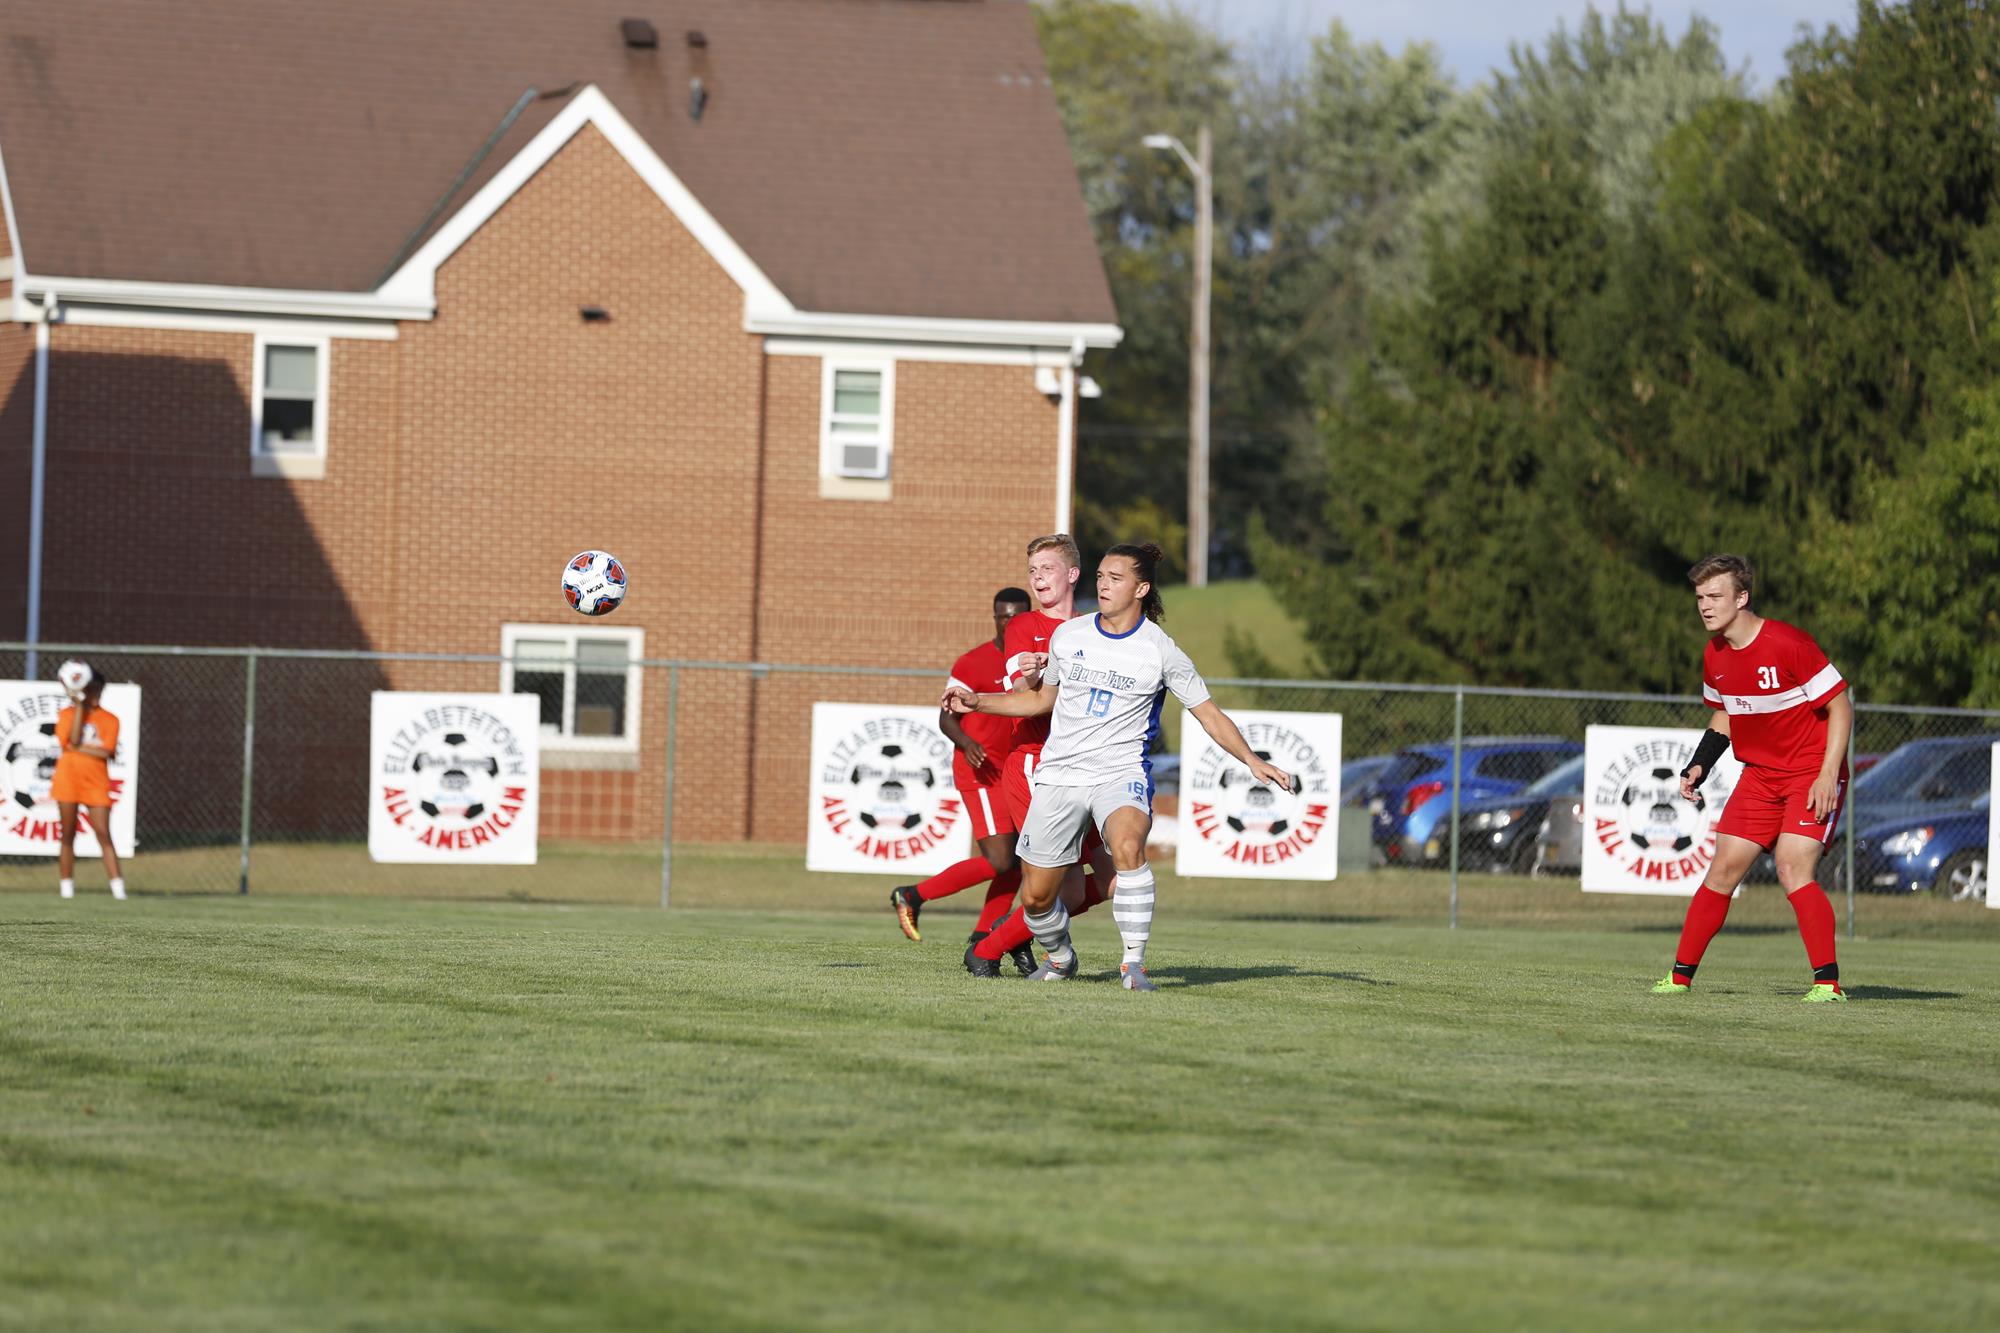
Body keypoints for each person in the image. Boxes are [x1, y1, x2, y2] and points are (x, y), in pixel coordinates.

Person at [945, 542, 1293, 989]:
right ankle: (1060, 955)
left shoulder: (1161, 651)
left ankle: (1133, 965)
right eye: (1101, 577)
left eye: (1115, 578)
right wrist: (978, 701)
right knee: (1036, 897)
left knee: (1127, 847)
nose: (1103, 585)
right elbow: (1037, 700)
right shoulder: (1069, 637)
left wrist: (1251, 759)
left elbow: (1207, 712)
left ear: (1141, 588)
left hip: (1120, 772)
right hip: (1060, 775)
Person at [1656, 554, 1852, 1001]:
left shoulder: (1788, 643)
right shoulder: (1715, 654)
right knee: (1723, 868)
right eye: (1700, 597)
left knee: (1791, 867)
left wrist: (1826, 774)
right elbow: (1724, 712)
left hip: (1809, 771)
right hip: (1761, 776)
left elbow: (1840, 705)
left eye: (1715, 596)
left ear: (1742, 597)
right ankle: (1679, 978)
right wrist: (1700, 763)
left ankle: (1827, 983)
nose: (1705, 605)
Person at [960, 534, 1116, 977]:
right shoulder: (1024, 627)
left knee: (1109, 882)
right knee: (1059, 890)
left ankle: (1014, 935)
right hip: (1035, 763)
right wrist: (1035, 673)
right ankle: (990, 949)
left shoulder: (1091, 628)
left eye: (1047, 569)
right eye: (1032, 571)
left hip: (1085, 767)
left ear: (1072, 574)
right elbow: (1021, 691)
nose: (1038, 577)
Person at [890, 587, 1033, 962]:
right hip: (980, 770)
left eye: (1017, 616)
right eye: (1004, 616)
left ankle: (984, 935)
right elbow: (945, 717)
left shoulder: (1033, 664)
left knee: (1020, 857)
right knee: (1002, 859)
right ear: (995, 617)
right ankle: (913, 895)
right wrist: (967, 743)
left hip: (1017, 769)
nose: (1010, 622)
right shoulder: (973, 662)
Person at [52, 660, 126, 901]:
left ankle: (118, 889)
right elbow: (70, 741)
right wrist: (79, 708)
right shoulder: (68, 714)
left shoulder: (110, 719)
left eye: (96, 689)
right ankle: (66, 888)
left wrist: (78, 748)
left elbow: (106, 751)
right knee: (68, 833)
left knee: (103, 832)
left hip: (96, 782)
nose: (93, 694)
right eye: (89, 689)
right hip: (68, 779)